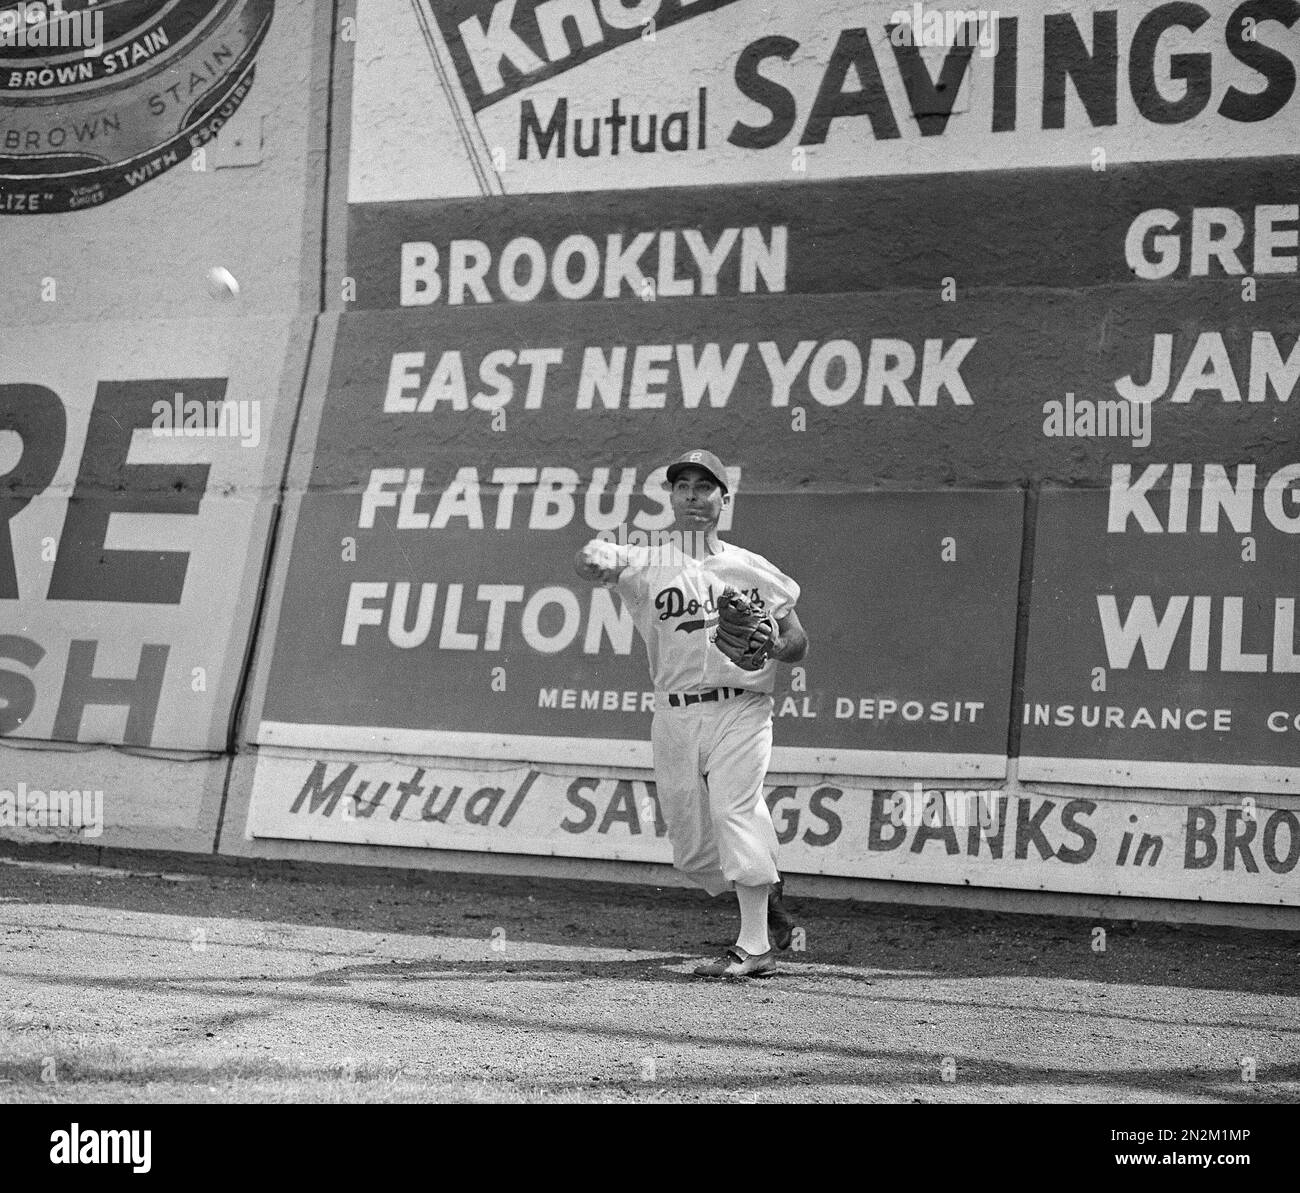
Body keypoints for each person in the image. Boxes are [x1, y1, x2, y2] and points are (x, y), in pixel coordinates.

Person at [573, 449, 809, 977]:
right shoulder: (646, 562)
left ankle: (754, 946)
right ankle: (765, 898)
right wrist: (593, 556)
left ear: (724, 499)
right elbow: (594, 558)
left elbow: (798, 643)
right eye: (683, 487)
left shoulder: (753, 569)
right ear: (672, 497)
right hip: (675, 715)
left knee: (734, 810)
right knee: (696, 850)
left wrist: (774, 644)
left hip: (742, 708)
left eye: (706, 487)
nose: (694, 496)